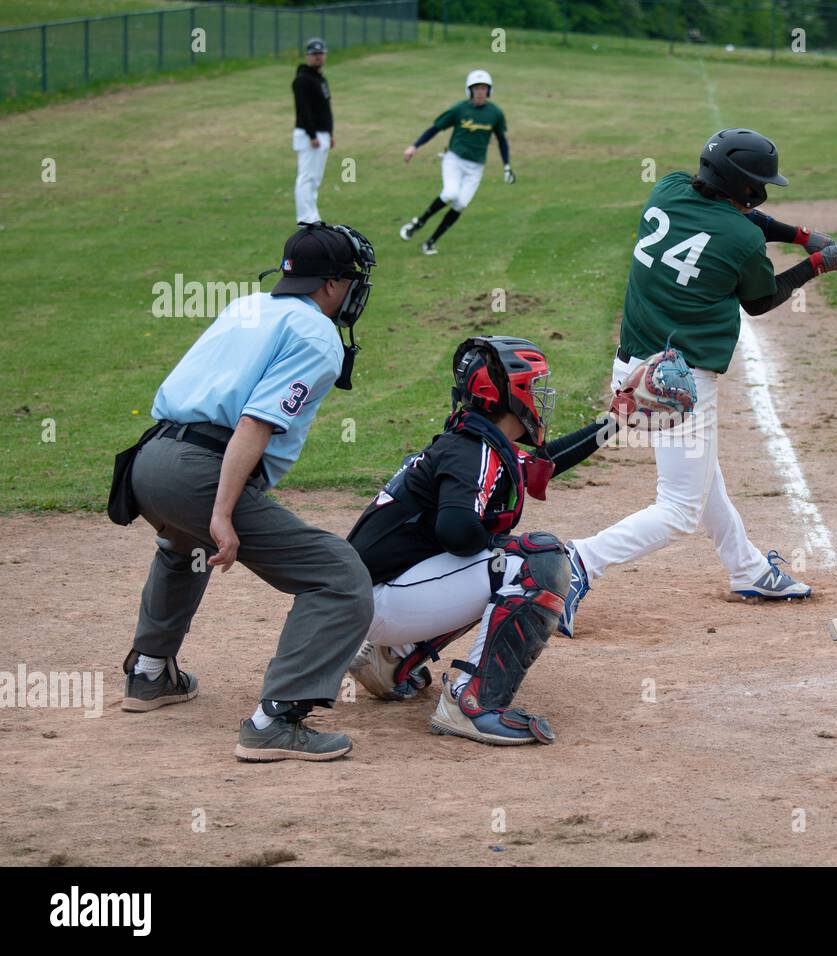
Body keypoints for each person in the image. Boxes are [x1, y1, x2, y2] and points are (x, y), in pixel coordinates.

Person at [557, 128, 837, 638]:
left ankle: (749, 571)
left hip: (634, 368)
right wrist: (814, 265)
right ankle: (576, 565)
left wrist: (802, 236)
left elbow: (742, 220)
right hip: (680, 387)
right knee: (678, 509)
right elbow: (760, 301)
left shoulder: (669, 189)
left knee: (700, 482)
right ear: (748, 189)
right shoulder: (741, 241)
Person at [121, 222, 377, 762]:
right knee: (338, 575)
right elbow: (256, 424)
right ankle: (275, 721)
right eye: (351, 281)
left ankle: (149, 674)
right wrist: (222, 513)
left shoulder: (247, 306)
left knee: (181, 546)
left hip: (147, 462)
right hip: (200, 471)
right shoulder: (316, 335)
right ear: (331, 285)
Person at [345, 337, 619, 745]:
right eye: (534, 388)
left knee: (501, 561)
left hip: (368, 599)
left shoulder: (473, 442)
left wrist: (614, 422)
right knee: (537, 561)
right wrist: (500, 544)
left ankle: (391, 659)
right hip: (380, 602)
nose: (541, 399)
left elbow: (544, 465)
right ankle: (472, 705)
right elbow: (456, 532)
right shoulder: (473, 452)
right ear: (511, 394)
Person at [397, 69, 514, 256]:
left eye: (484, 88)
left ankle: (430, 242)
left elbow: (502, 140)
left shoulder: (495, 114)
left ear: (489, 90)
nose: (480, 92)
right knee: (450, 193)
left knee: (460, 204)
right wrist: (414, 146)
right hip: (454, 160)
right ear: (470, 90)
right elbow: (435, 128)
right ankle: (419, 222)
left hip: (476, 167)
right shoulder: (459, 109)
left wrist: (506, 166)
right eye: (476, 88)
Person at [292, 38, 333, 224]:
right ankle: (305, 217)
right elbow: (303, 109)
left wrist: (330, 134)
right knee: (306, 176)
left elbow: (325, 108)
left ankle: (312, 214)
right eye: (314, 54)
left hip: (322, 134)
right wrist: (312, 134)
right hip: (311, 136)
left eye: (320, 53)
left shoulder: (320, 79)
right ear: (308, 56)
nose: (318, 57)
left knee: (315, 178)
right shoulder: (302, 80)